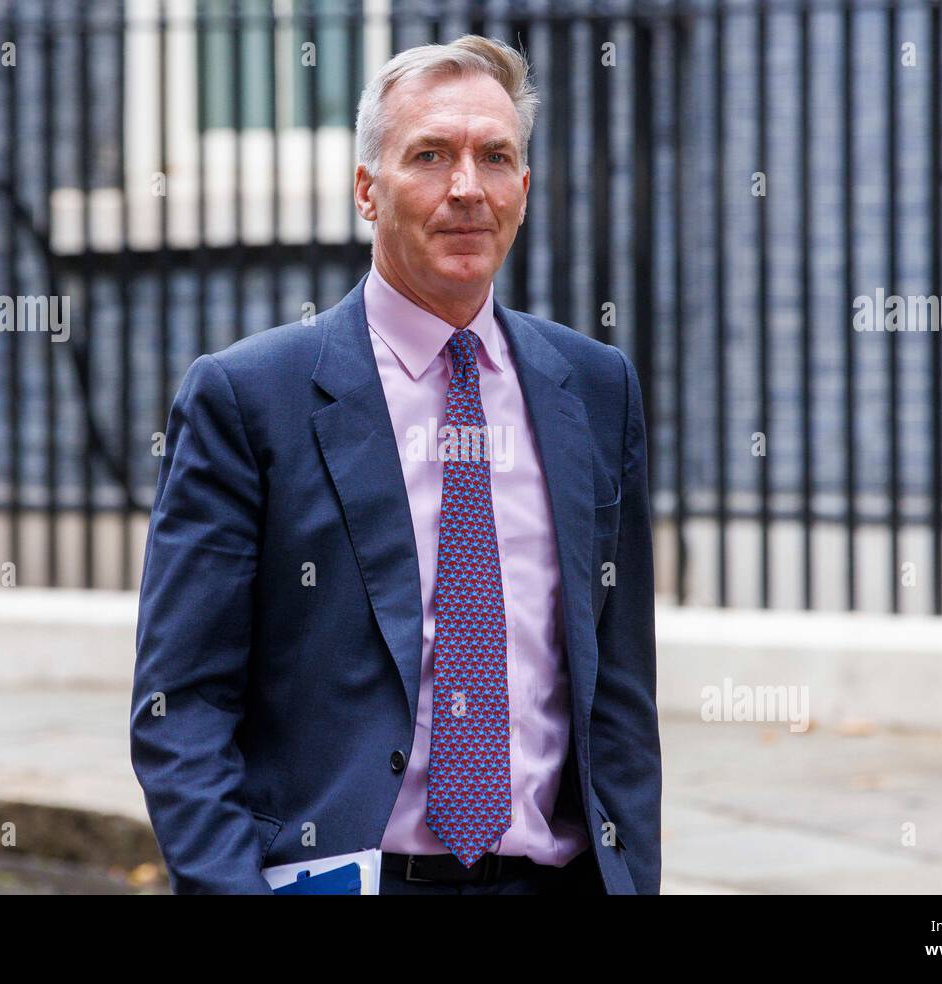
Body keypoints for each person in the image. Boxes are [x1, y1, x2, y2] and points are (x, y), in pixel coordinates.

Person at [130, 34, 660, 895]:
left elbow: (621, 694)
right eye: (430, 156)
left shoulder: (597, 391)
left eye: (496, 157)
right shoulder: (250, 397)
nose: (467, 188)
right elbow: (179, 706)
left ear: (522, 189)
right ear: (366, 190)